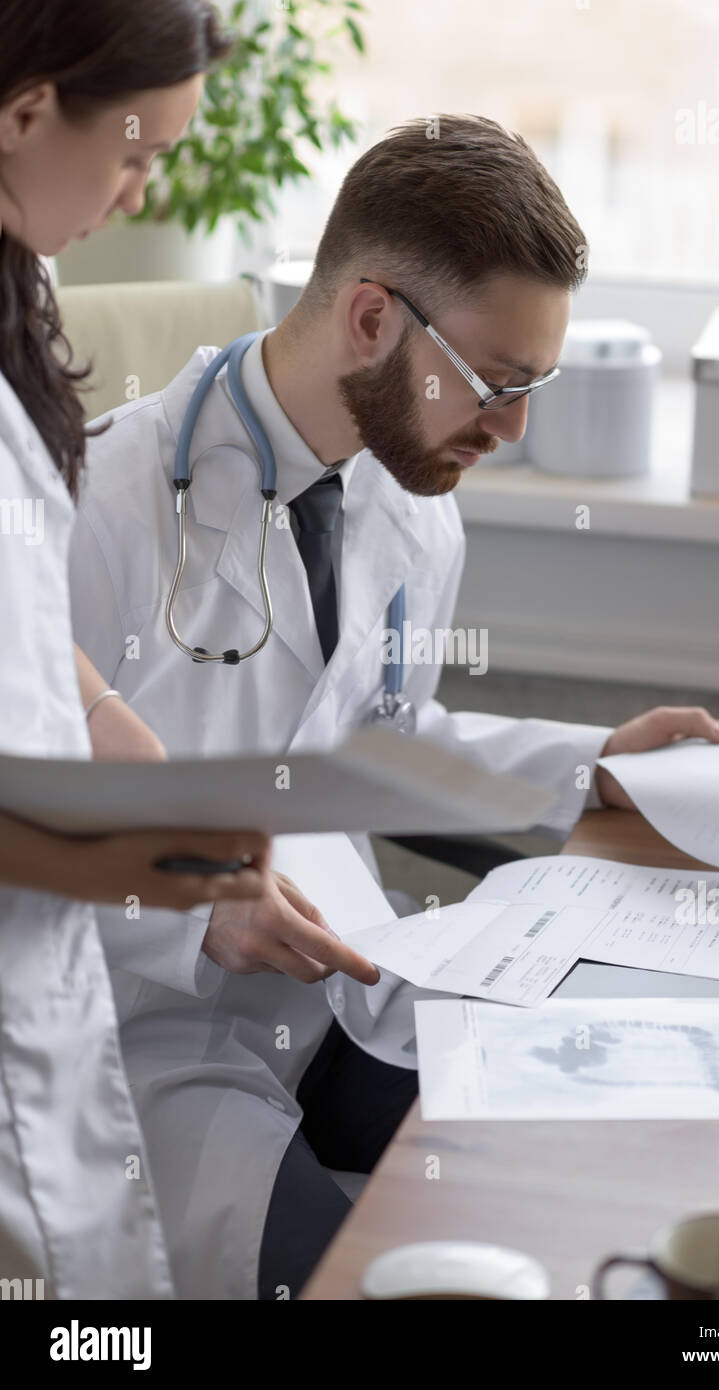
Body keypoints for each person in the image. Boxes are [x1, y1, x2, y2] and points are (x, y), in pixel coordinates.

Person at [68, 114, 719, 1299]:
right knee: (371, 1283)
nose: (515, 429)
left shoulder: (413, 502)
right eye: (497, 383)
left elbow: (383, 736)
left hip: (334, 992)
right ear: (373, 318)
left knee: (575, 1197)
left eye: (538, 385)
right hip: (132, 1039)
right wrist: (186, 915)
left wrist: (595, 765)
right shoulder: (96, 506)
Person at [0, 0, 287, 1299]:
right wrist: (132, 857)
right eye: (130, 152)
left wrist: (123, 736)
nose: (141, 191)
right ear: (20, 114)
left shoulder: (15, 298)